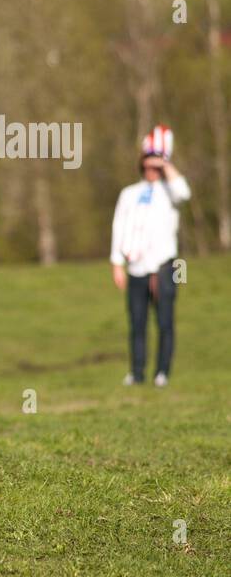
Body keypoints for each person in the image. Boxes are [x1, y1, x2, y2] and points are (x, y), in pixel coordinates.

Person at [110, 124, 190, 387]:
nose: (151, 170)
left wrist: (166, 164)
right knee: (137, 322)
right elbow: (118, 227)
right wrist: (116, 263)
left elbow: (184, 192)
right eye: (148, 164)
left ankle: (162, 373)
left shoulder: (170, 192)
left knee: (165, 321)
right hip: (136, 266)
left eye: (156, 166)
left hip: (165, 266)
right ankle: (137, 372)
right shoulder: (129, 193)